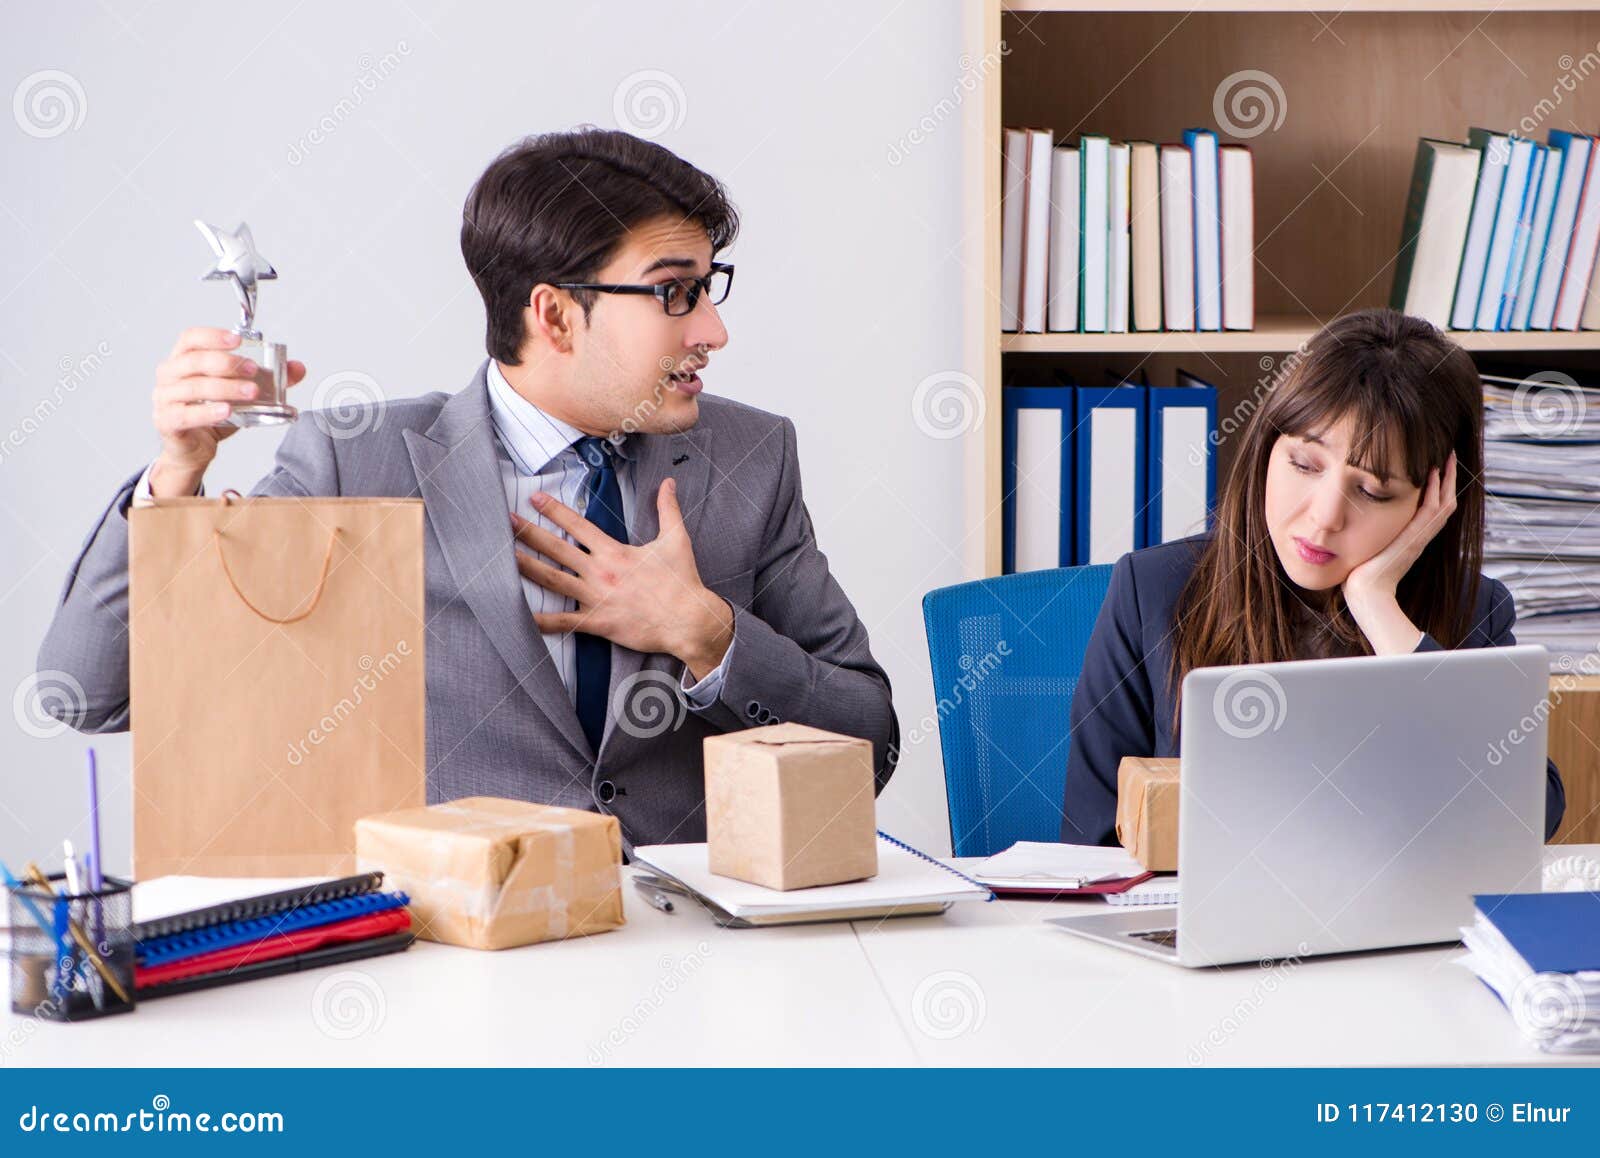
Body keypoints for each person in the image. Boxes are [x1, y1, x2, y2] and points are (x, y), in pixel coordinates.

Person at [36, 128, 898, 849]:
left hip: (699, 965)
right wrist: (177, 473)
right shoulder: (357, 464)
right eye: (676, 293)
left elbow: (871, 749)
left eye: (707, 289)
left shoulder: (750, 458)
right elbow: (88, 694)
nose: (713, 329)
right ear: (554, 314)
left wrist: (707, 635)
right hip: (447, 967)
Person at [1062, 308, 1565, 844]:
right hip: (1189, 923)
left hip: (1402, 925)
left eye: (1372, 491)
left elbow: (1530, 811)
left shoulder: (1474, 612)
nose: (1325, 516)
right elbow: (1088, 843)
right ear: (1265, 450)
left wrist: (1379, 608)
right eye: (1304, 465)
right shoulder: (1153, 591)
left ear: (1432, 505)